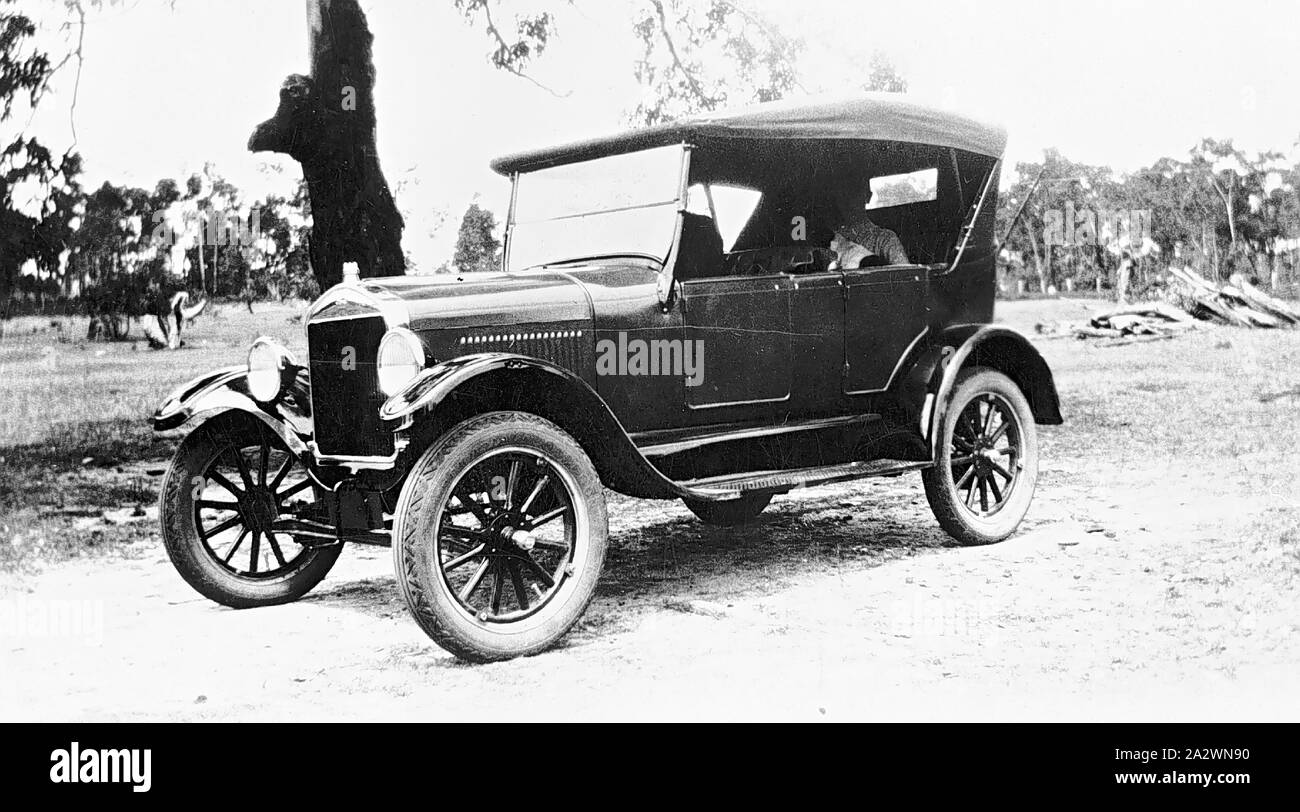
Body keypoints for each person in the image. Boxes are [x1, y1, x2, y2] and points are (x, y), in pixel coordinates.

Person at [829, 183, 910, 269]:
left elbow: (906, 276)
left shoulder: (885, 239)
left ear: (867, 196)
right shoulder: (832, 241)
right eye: (842, 195)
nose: (848, 202)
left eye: (853, 194)